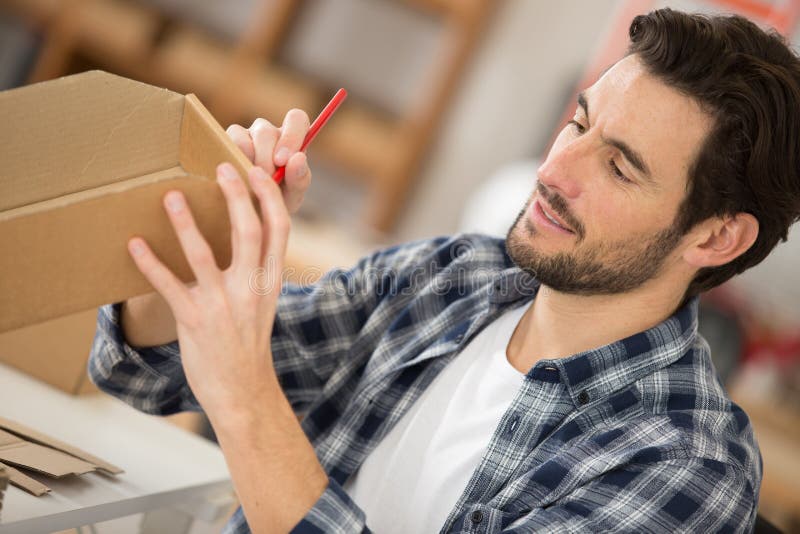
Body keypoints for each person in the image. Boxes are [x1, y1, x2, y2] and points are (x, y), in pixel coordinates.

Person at [88, 8, 800, 533]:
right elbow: (145, 371)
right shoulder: (452, 280)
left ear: (717, 236)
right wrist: (210, 239)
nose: (554, 171)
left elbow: (231, 381)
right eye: (579, 125)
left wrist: (245, 396)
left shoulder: (687, 466)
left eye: (619, 167)